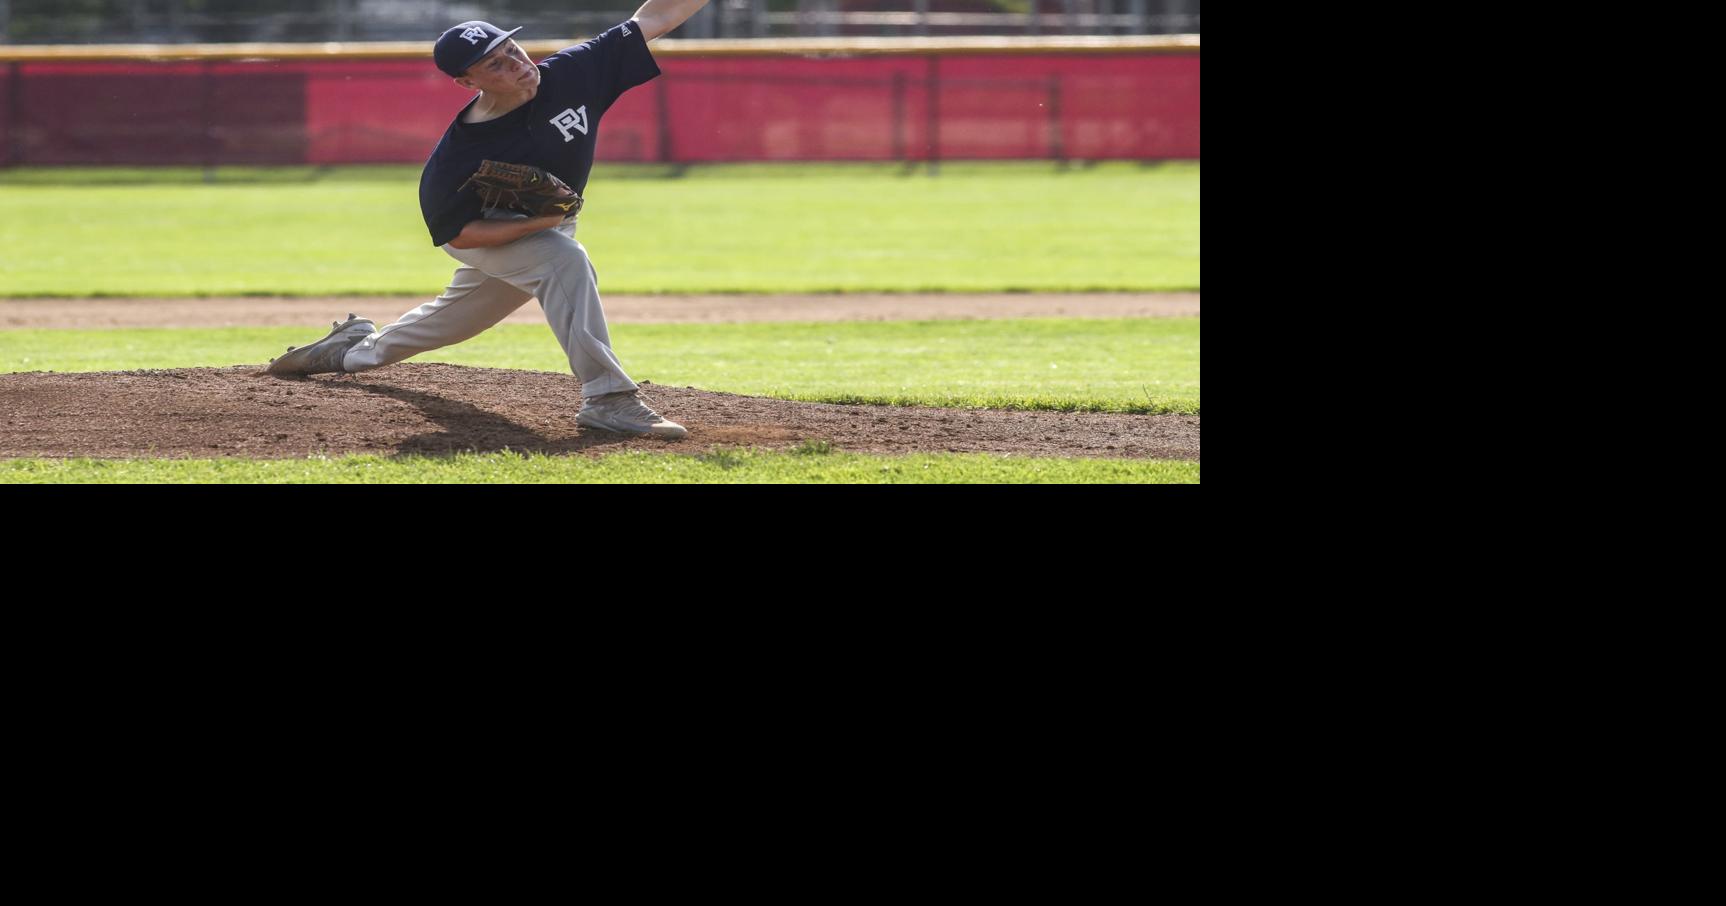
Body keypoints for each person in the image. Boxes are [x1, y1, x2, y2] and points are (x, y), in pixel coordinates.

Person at [266, 1, 710, 440]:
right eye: (494, 65)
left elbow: (652, 18)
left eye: (512, 49)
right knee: (565, 261)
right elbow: (458, 233)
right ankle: (607, 398)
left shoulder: (574, 72)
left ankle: (349, 351)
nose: (515, 64)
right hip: (484, 232)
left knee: (454, 320)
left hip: (542, 225)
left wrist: (546, 223)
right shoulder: (460, 155)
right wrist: (538, 226)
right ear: (467, 82)